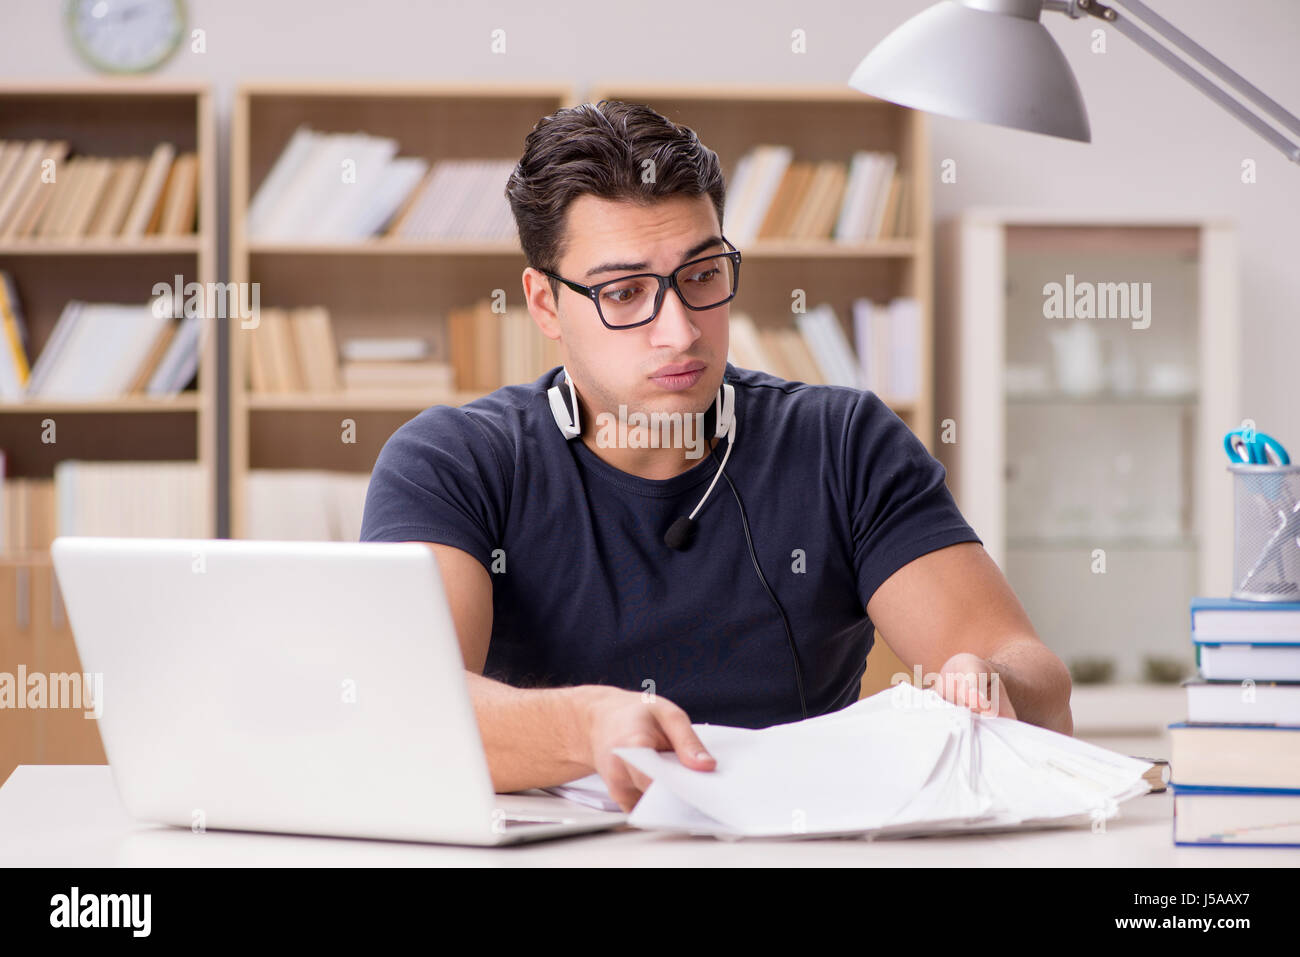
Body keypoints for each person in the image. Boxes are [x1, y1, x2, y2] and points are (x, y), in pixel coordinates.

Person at [360, 100, 1072, 813]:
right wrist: (589, 725)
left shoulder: (844, 442)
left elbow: (1036, 675)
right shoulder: (450, 462)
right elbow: (407, 709)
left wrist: (991, 678)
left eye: (701, 275)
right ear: (545, 302)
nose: (679, 330)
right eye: (624, 292)